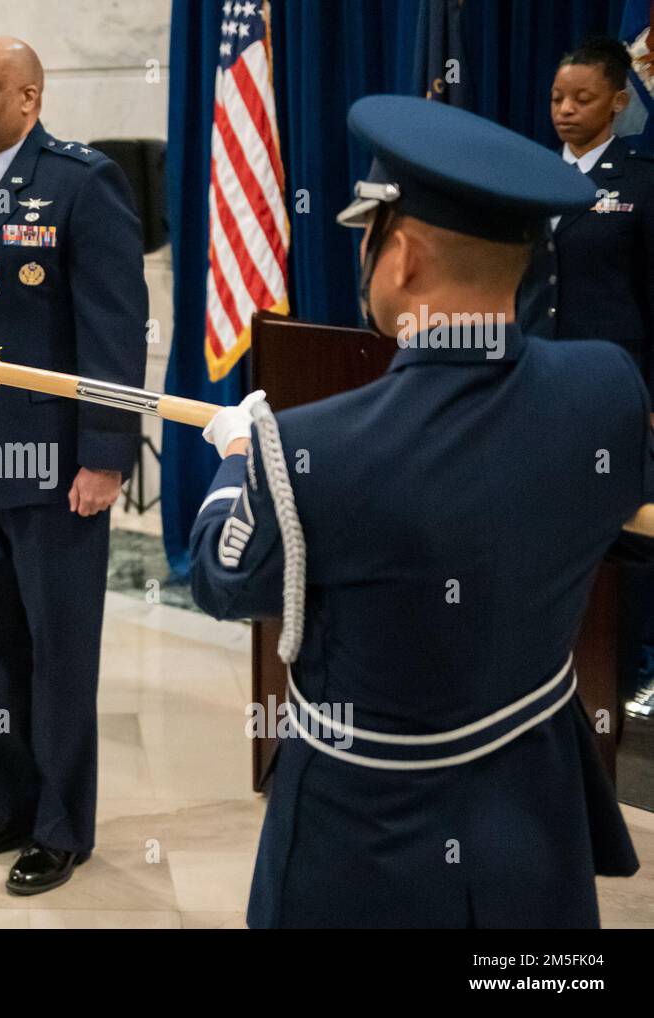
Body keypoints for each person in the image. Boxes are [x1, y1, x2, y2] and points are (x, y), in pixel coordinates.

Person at [191, 95, 650, 928]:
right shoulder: (606, 388)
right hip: (535, 822)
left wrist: (234, 460)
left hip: (366, 840)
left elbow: (227, 582)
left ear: (397, 256)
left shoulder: (306, 449)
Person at [0, 37, 148, 895]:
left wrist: (105, 456)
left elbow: (115, 330)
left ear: (30, 97)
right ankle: (6, 805)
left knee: (58, 651)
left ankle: (60, 827)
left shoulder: (81, 183)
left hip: (56, 469)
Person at [517, 37, 654, 389]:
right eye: (557, 98)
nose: (565, 109)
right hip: (533, 369)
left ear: (618, 102)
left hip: (610, 375)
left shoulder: (642, 180)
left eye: (583, 99)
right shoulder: (526, 178)